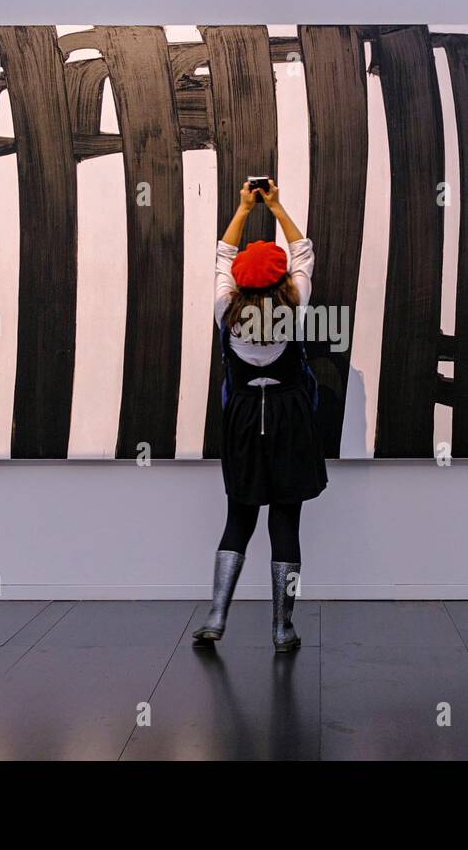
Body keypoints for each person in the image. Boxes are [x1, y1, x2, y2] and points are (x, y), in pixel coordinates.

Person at [192, 180, 328, 651]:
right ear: (280, 278)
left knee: (238, 519)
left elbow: (222, 257)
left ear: (241, 281)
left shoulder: (225, 308)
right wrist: (275, 204)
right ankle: (281, 626)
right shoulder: (294, 303)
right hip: (290, 417)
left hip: (245, 419)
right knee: (285, 523)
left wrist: (243, 207)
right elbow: (303, 251)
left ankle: (216, 615)